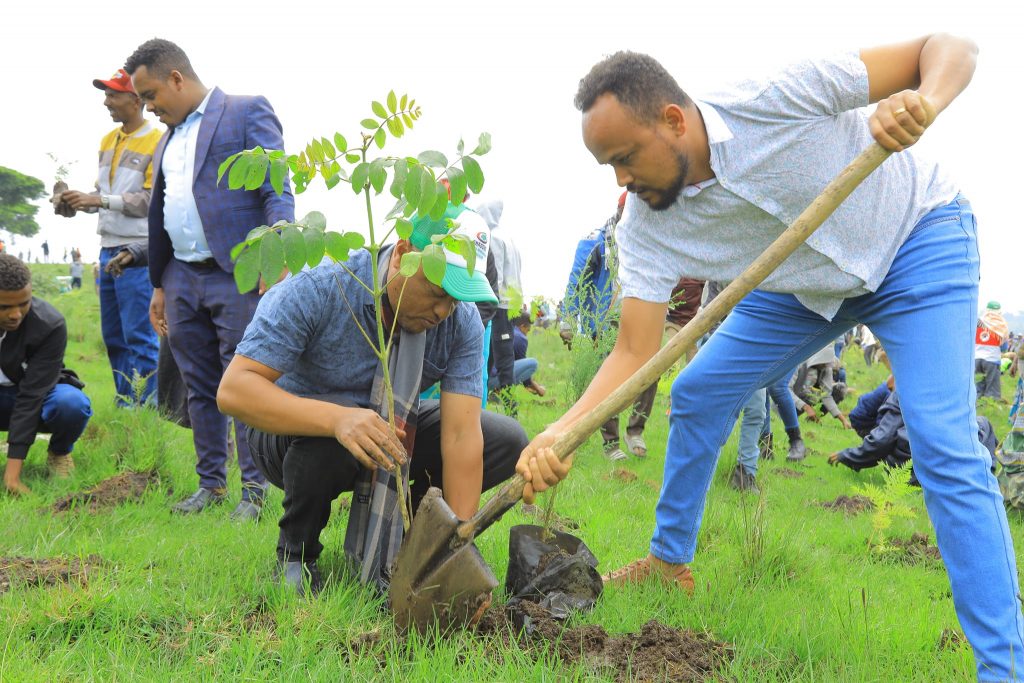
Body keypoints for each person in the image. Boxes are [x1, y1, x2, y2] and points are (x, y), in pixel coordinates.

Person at [516, 37, 1024, 679]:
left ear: (673, 121)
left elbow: (949, 47)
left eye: (625, 158)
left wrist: (924, 101)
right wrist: (561, 432)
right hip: (804, 287)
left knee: (942, 443)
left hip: (916, 240)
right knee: (698, 392)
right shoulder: (645, 226)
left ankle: (1005, 667)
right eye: (608, 166)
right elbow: (634, 350)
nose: (620, 180)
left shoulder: (774, 98)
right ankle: (669, 563)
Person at [217, 217, 537, 595]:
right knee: (332, 436)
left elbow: (461, 435)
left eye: (455, 298)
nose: (443, 311)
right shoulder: (324, 285)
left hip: (387, 432)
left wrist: (455, 546)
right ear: (402, 254)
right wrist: (337, 419)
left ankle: (419, 539)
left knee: (505, 439)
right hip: (290, 436)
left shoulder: (459, 320)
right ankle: (295, 556)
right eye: (438, 292)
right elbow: (234, 391)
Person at [125, 38, 295, 520]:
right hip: (181, 275)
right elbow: (162, 212)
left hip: (237, 273)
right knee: (199, 385)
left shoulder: (245, 111)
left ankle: (255, 491)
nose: (149, 107)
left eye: (151, 95)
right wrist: (160, 284)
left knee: (246, 382)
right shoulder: (166, 138)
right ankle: (211, 485)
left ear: (177, 78)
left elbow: (276, 187)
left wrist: (277, 253)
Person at [57, 69, 163, 406]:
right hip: (107, 249)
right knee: (114, 336)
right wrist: (77, 202)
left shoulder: (157, 140)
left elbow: (150, 200)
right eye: (106, 94)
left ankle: (146, 407)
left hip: (137, 251)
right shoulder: (107, 141)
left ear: (136, 99)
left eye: (113, 95)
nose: (107, 102)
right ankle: (125, 403)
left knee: (140, 335)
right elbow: (103, 195)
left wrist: (99, 201)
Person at [0, 255, 92, 495]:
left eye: (24, 303)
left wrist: (12, 477)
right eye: (4, 307)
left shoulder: (49, 324)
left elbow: (31, 395)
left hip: (34, 396)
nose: (15, 314)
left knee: (71, 404)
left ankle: (59, 452)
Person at [829, 389, 997, 487]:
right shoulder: (956, 387)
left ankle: (980, 479)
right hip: (954, 467)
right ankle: (983, 480)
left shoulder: (907, 388)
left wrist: (848, 455)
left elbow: (882, 439)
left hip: (915, 471)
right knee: (983, 423)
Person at [476, 200, 521, 401]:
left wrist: (488, 303)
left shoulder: (493, 237)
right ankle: (484, 399)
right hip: (511, 305)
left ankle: (510, 407)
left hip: (499, 304)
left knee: (502, 358)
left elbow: (497, 276)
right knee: (493, 355)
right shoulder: (508, 237)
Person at [789, 345, 852, 429]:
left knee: (839, 389)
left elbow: (826, 395)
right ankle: (789, 416)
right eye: (824, 363)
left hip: (806, 398)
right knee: (809, 394)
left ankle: (812, 418)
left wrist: (843, 420)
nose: (826, 365)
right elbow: (786, 390)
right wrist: (806, 407)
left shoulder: (826, 367)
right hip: (788, 403)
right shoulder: (800, 363)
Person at [492, 312, 546, 397]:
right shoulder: (520, 338)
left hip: (484, 376)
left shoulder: (506, 330)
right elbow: (524, 373)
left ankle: (495, 394)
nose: (527, 334)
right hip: (494, 379)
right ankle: (503, 393)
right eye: (527, 330)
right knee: (533, 363)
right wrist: (538, 388)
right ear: (522, 326)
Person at [975, 300, 1008, 401]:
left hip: (976, 358)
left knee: (977, 385)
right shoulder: (1001, 325)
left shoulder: (978, 322)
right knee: (992, 390)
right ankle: (989, 405)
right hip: (992, 360)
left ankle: (976, 405)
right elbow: (1004, 347)